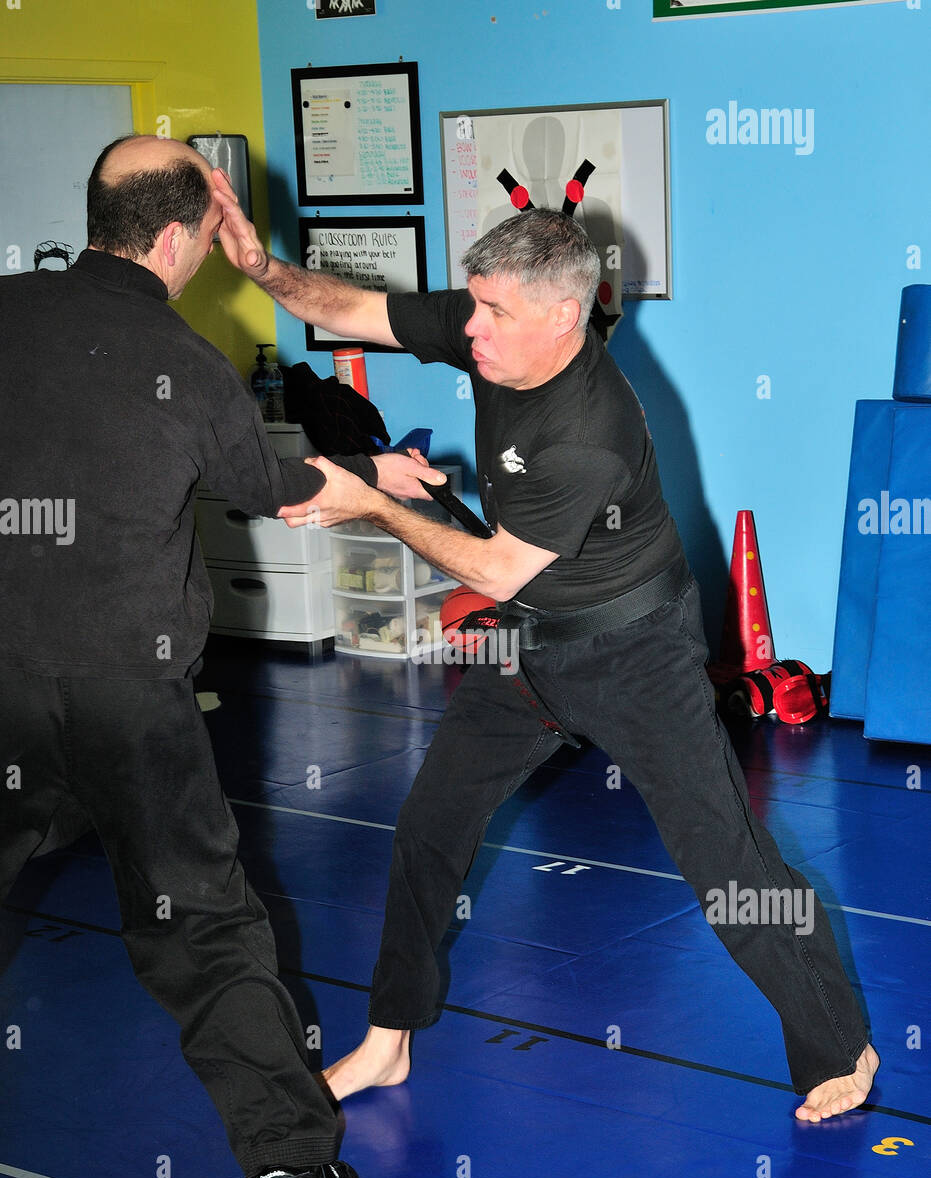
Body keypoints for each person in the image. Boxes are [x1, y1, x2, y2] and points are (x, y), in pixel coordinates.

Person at [214, 174, 879, 1124]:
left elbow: (494, 568)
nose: (469, 329)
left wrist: (370, 499)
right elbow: (356, 308)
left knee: (726, 867)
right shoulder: (493, 327)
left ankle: (833, 1041)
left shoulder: (590, 430)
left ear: (565, 317)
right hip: (528, 653)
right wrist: (263, 268)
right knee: (428, 829)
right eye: (470, 306)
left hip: (632, 652)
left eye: (490, 313)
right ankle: (388, 1042)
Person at [0, 134, 440, 1178]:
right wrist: (373, 474)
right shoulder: (182, 363)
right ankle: (291, 1162)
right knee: (201, 925)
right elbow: (276, 490)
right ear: (185, 233)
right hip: (125, 698)